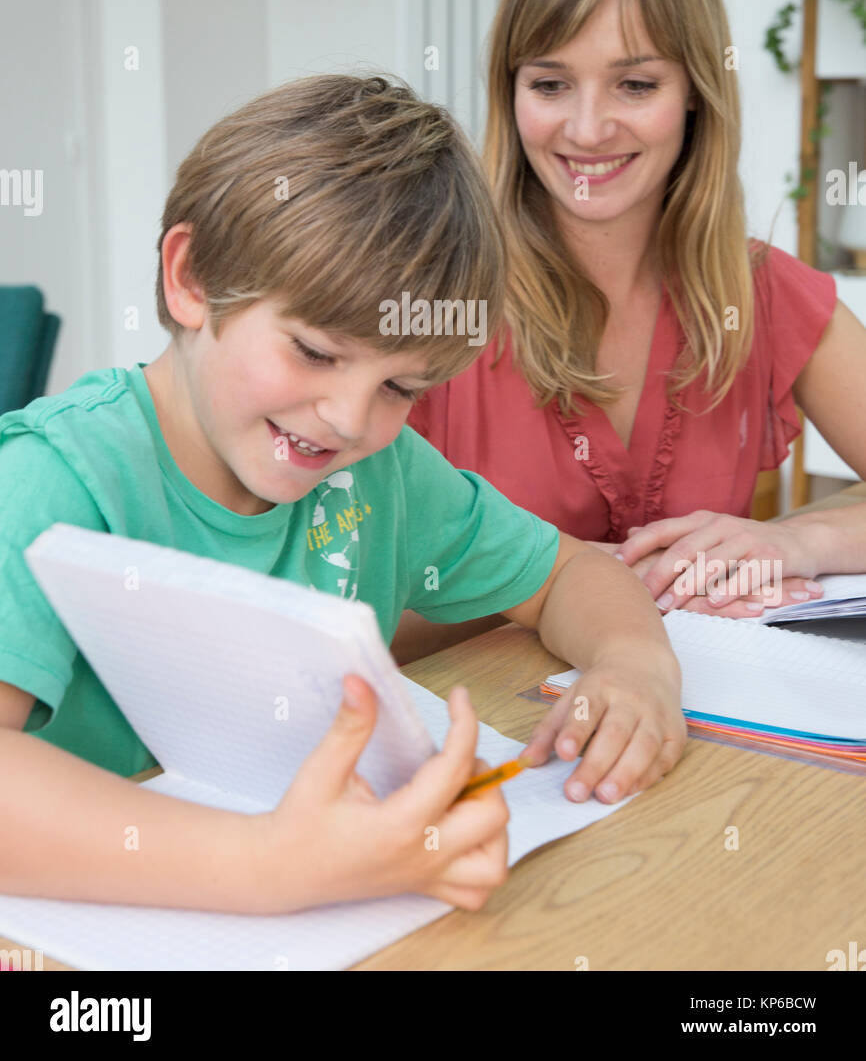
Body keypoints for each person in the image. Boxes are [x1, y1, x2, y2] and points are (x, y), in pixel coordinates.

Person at [0, 73, 685, 916]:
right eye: (316, 353)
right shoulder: (53, 480)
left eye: (400, 386)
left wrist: (636, 665)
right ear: (191, 278)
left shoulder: (377, 473)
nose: (348, 419)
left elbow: (571, 572)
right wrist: (267, 867)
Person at [404, 0, 866, 659]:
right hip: (484, 744)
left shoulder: (762, 293)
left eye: (636, 85)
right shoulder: (430, 300)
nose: (586, 129)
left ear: (696, 96)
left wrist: (794, 542)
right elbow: (344, 603)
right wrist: (561, 582)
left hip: (703, 746)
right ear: (510, 93)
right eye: (550, 85)